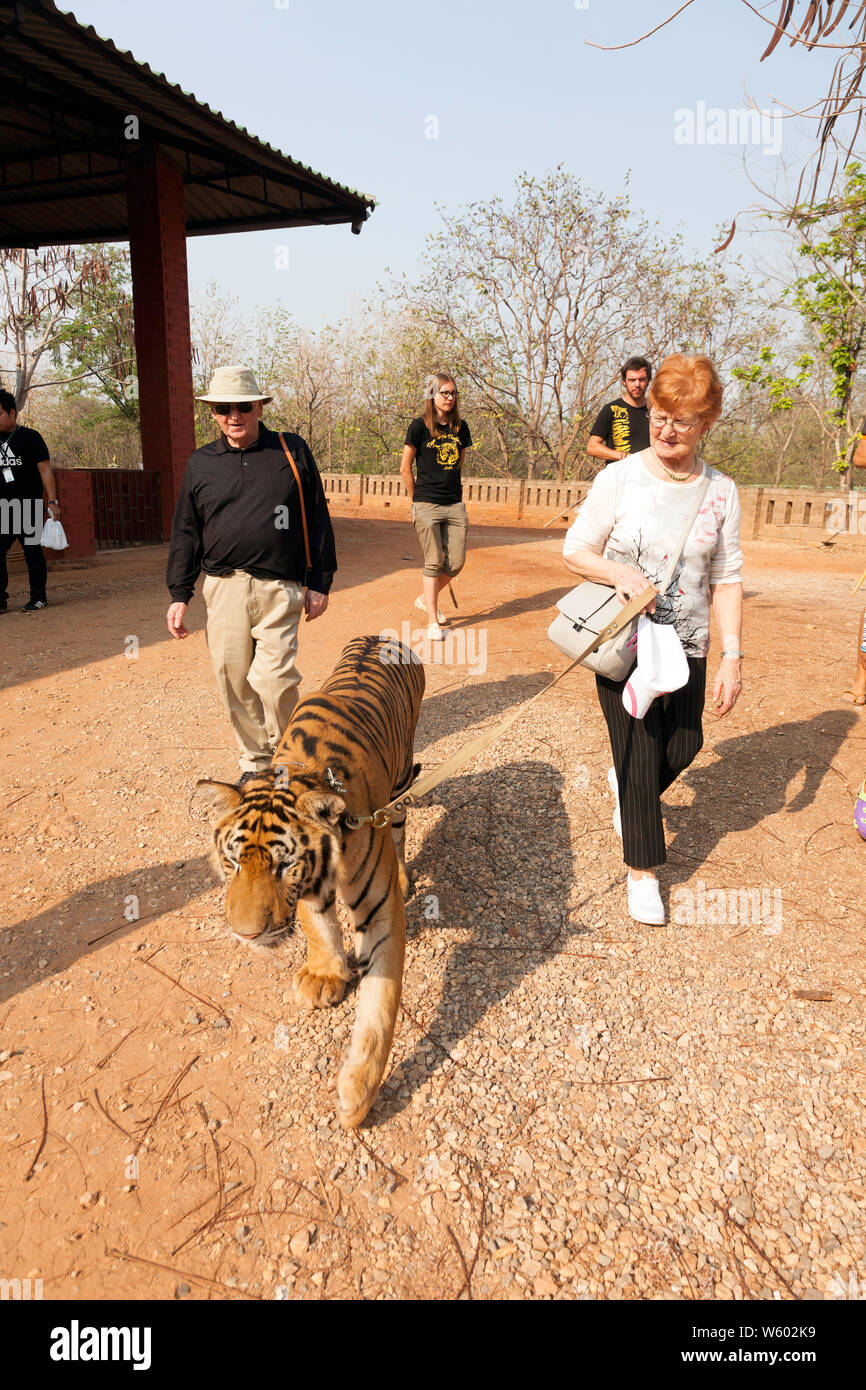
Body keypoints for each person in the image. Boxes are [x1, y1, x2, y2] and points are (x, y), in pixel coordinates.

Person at [563, 354, 744, 926]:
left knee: (684, 744)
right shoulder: (619, 477)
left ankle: (627, 788)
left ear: (707, 424)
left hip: (686, 645)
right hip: (624, 642)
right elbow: (576, 550)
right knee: (641, 755)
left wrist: (732, 655)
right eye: (660, 416)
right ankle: (642, 874)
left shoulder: (722, 492)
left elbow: (728, 576)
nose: (667, 429)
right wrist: (617, 573)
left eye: (682, 421)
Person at [166, 365, 336, 784]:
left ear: (259, 406)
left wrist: (319, 581)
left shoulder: (290, 451)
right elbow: (186, 530)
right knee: (233, 679)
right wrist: (180, 592)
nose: (233, 416)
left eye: (243, 406)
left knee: (275, 679)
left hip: (279, 586)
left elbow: (316, 517)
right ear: (213, 412)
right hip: (223, 588)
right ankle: (255, 762)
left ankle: (289, 758)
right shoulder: (201, 463)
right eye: (223, 408)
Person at [400, 372, 472, 640]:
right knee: (434, 562)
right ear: (433, 395)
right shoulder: (419, 427)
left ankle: (424, 598)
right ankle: (432, 620)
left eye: (453, 393)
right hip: (426, 503)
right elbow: (405, 467)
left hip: (454, 503)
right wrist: (416, 499)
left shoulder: (460, 428)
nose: (450, 398)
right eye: (445, 393)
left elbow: (459, 462)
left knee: (455, 563)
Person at [0, 389, 61, 612]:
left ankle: (38, 597)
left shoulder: (30, 437)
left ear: (12, 413)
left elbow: (45, 471)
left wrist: (52, 501)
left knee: (32, 552)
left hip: (28, 506)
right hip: (3, 508)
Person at [587, 356, 652, 464]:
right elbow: (592, 447)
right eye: (632, 380)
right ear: (624, 382)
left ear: (648, 380)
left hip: (649, 476)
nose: (637, 384)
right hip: (618, 476)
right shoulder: (611, 409)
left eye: (641, 379)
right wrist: (625, 457)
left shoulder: (657, 411)